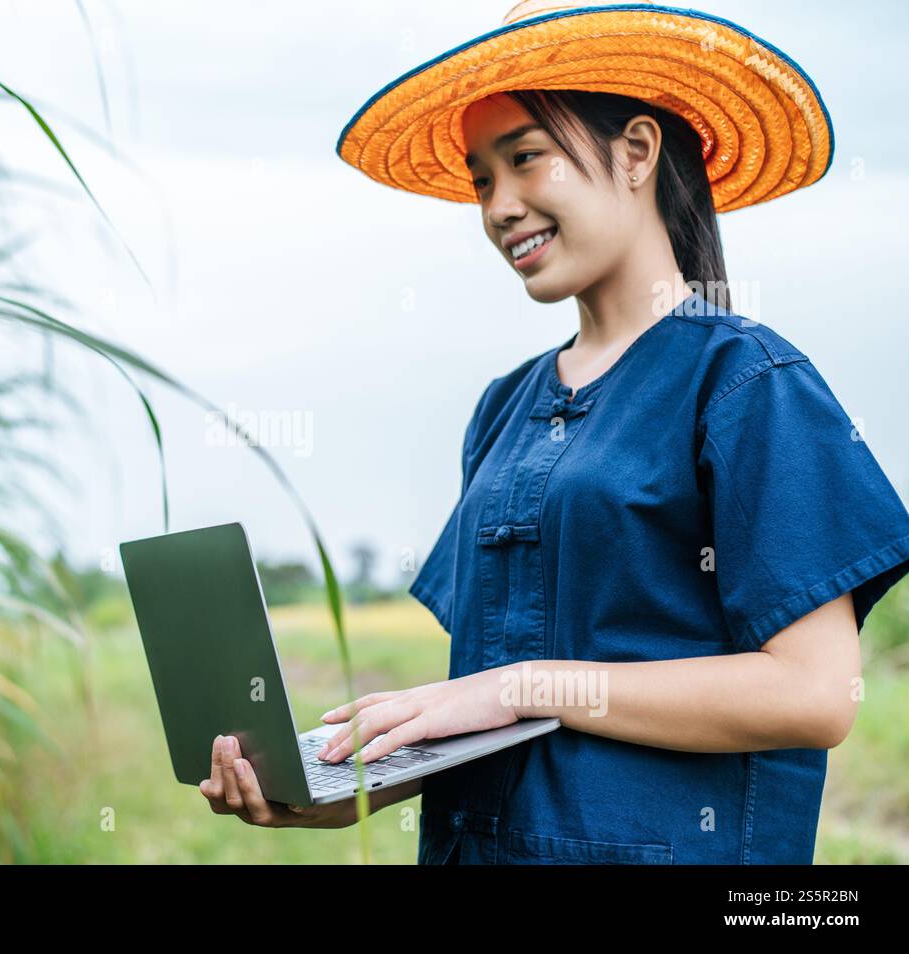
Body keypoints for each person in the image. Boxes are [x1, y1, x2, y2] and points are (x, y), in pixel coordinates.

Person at [199, 0, 909, 863]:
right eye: (481, 180)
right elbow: (495, 715)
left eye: (526, 157)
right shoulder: (504, 408)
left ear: (637, 152)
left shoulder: (746, 382)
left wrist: (529, 685)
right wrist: (346, 788)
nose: (501, 206)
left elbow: (815, 694)